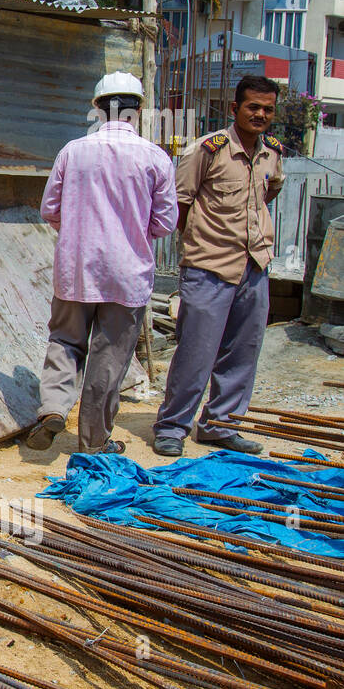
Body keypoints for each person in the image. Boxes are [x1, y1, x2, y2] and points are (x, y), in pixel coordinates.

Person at [26, 72, 177, 454]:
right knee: (108, 359)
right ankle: (94, 441)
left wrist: (80, 231)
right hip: (127, 276)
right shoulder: (155, 157)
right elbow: (165, 222)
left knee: (64, 341)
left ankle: (54, 409)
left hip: (75, 269)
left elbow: (49, 209)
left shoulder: (72, 151)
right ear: (138, 109)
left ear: (98, 108)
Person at [153, 76, 284, 457]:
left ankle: (220, 425)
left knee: (242, 352)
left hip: (255, 265)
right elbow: (178, 205)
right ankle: (172, 426)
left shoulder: (272, 152)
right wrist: (199, 244)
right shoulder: (206, 151)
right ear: (235, 109)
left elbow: (270, 190)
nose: (260, 114)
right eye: (253, 107)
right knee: (196, 351)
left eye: (267, 109)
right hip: (209, 266)